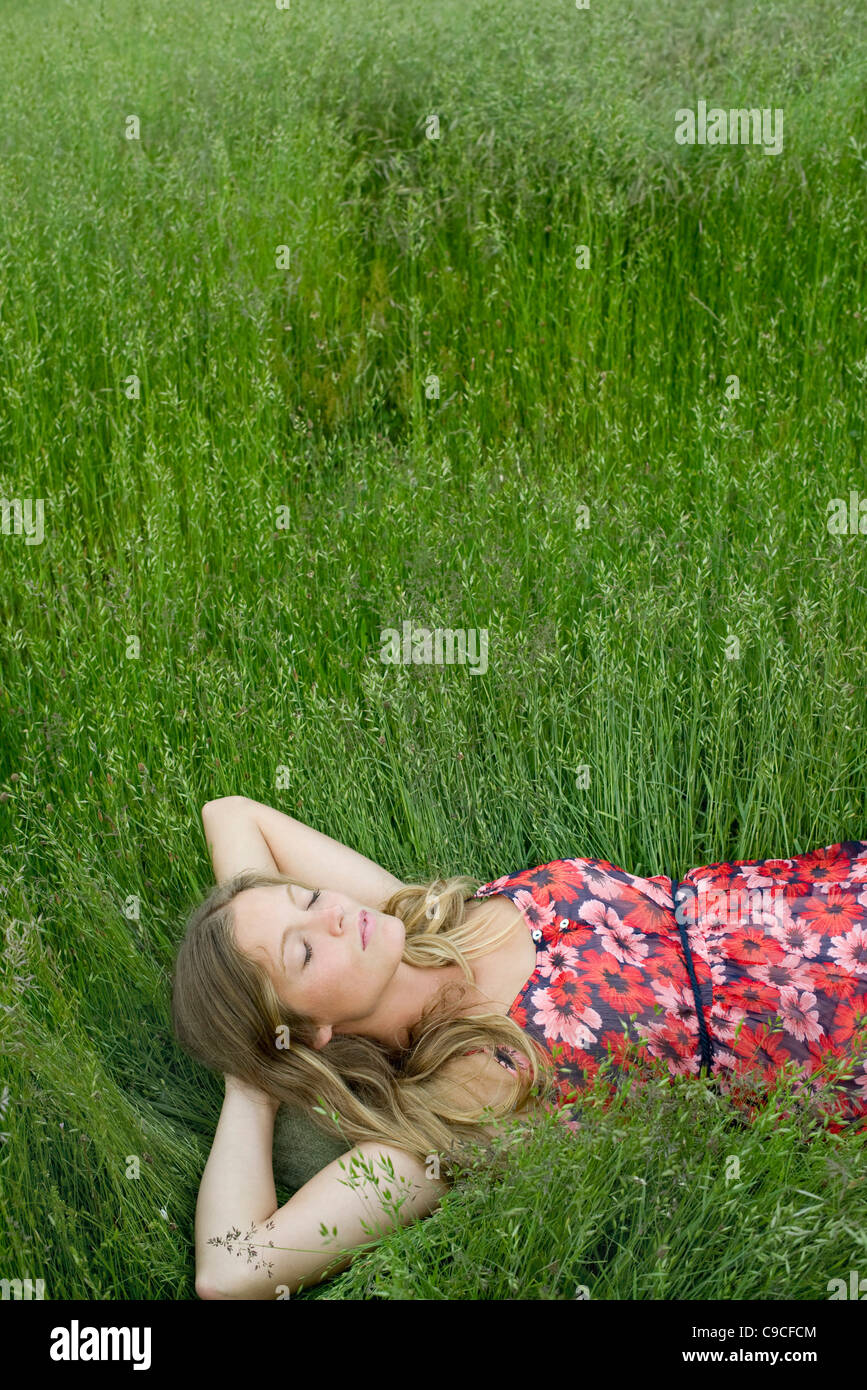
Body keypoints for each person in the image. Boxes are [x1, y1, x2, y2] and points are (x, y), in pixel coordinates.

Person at [171, 796, 867, 1299]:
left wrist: (271, 939)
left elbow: (229, 813)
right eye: (301, 950)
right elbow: (232, 1272)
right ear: (310, 1033)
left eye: (306, 897)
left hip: (813, 898)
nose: (329, 915)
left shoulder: (415, 923)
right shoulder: (459, 1098)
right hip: (828, 1025)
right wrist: (256, 1076)